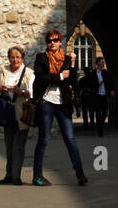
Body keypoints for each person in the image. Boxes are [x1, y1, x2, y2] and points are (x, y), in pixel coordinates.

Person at [32, 30, 87, 186]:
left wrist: (73, 65)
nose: (52, 43)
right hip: (46, 102)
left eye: (55, 40)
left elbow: (73, 81)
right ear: (47, 43)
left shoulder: (67, 59)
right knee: (43, 139)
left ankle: (80, 174)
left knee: (70, 139)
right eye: (50, 40)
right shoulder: (41, 58)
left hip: (63, 104)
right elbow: (40, 78)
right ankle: (37, 176)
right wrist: (60, 76)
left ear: (60, 42)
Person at [0, 46, 35, 184]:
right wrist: (0, 89)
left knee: (19, 146)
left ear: (22, 59)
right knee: (9, 145)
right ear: (9, 58)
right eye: (12, 57)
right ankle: (9, 174)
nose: (15, 60)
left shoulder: (29, 73)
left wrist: (20, 92)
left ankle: (16, 176)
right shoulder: (3, 71)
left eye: (18, 57)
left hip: (22, 113)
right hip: (7, 113)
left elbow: (31, 94)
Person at [90, 57, 115, 136]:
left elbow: (110, 82)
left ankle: (100, 123)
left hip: (104, 94)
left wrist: (112, 90)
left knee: (104, 112)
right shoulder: (93, 73)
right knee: (98, 113)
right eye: (101, 62)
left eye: (103, 62)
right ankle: (100, 130)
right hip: (97, 95)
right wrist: (98, 84)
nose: (103, 63)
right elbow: (91, 84)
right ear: (97, 63)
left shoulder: (106, 73)